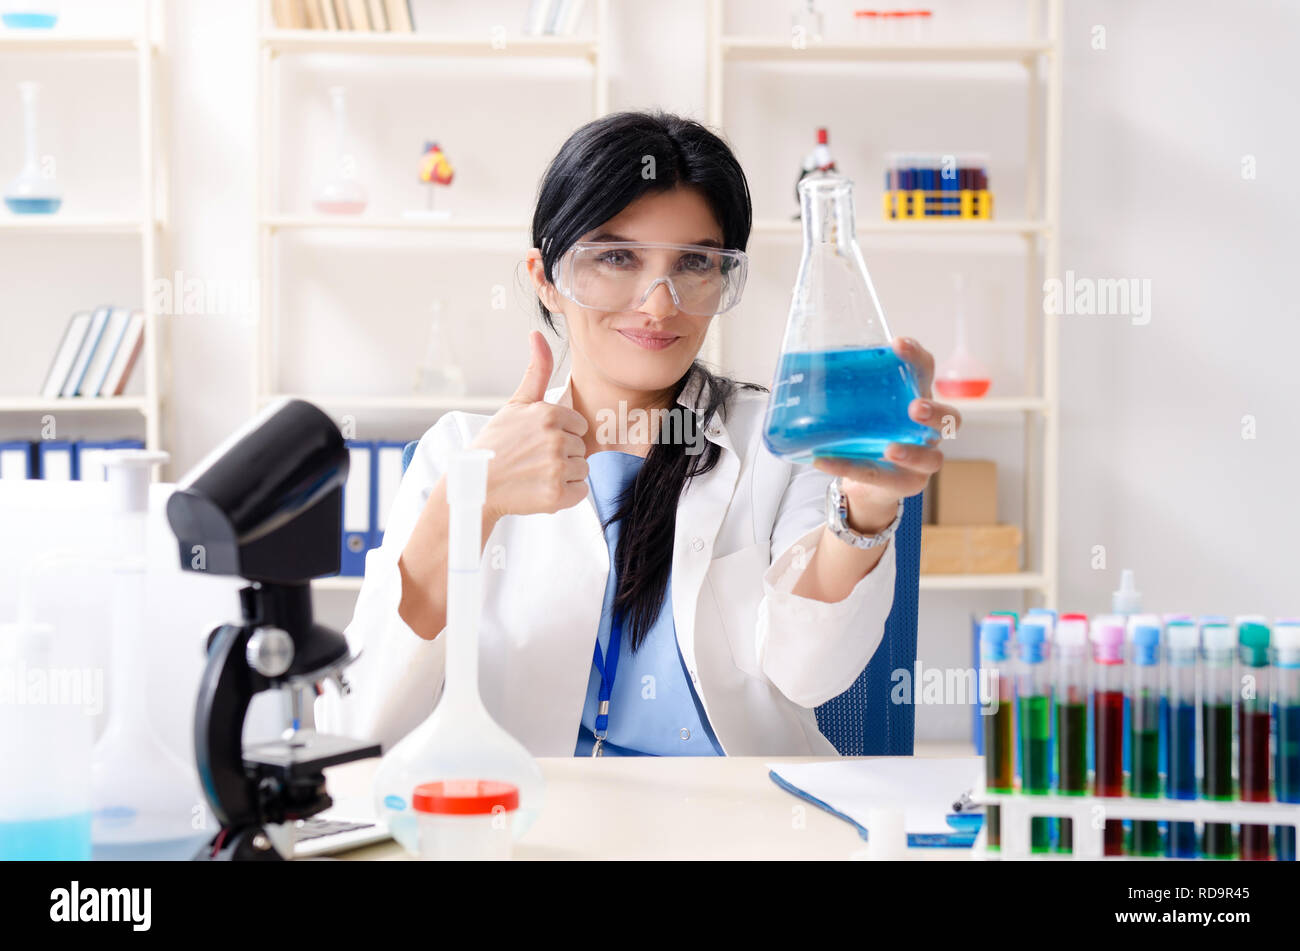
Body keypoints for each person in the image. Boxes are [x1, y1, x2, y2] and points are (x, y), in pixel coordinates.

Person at [316, 111, 962, 756]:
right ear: (546, 279)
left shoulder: (781, 442)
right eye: (617, 257)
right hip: (536, 810)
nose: (659, 304)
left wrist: (866, 510)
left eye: (694, 262)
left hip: (740, 809)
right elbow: (359, 728)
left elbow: (809, 674)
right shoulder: (459, 454)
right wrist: (469, 504)